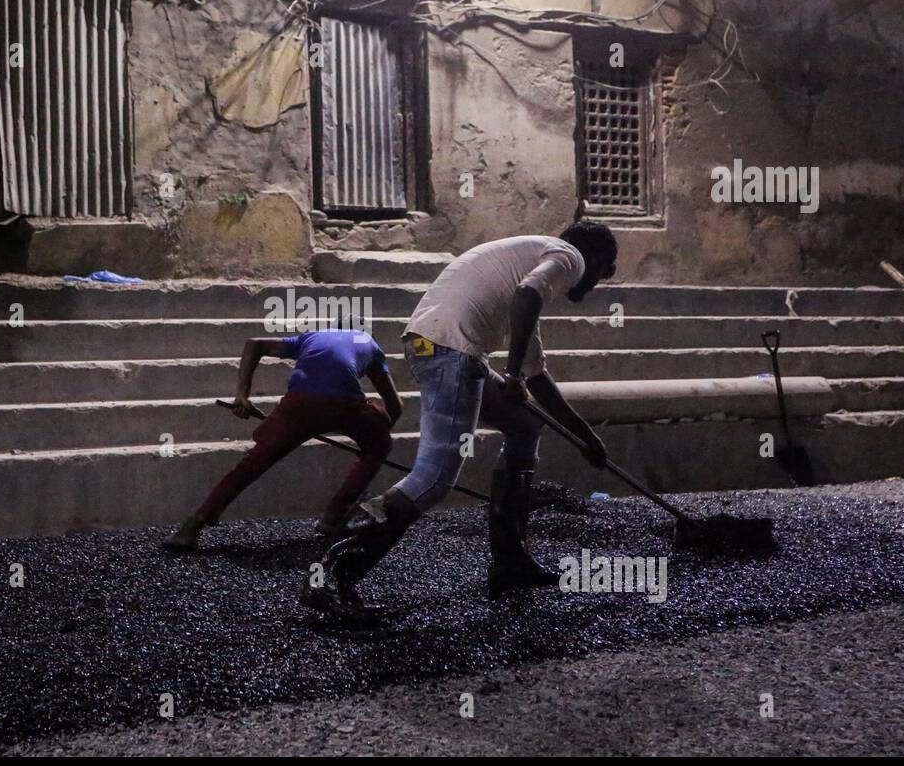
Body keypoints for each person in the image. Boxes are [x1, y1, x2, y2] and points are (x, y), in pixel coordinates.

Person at [302, 222, 619, 618]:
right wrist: (514, 374)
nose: (591, 283)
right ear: (596, 259)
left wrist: (585, 437)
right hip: (452, 349)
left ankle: (511, 562)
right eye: (603, 272)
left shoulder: (524, 268)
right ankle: (330, 577)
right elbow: (528, 297)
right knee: (433, 478)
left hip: (431, 342)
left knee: (524, 425)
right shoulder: (567, 256)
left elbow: (537, 375)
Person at [163, 327, 403, 551]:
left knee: (254, 462)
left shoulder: (311, 337)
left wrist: (242, 397)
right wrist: (375, 439)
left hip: (298, 405)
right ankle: (333, 518)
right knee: (380, 446)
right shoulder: (369, 343)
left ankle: (194, 525)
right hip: (345, 405)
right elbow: (396, 406)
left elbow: (254, 344)